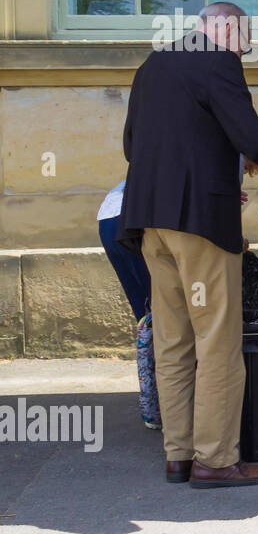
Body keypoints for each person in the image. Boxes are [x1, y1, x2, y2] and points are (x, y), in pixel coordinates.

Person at [119, 2, 258, 488]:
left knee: (172, 339)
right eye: (243, 41)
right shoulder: (217, 60)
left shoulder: (153, 63)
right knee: (217, 340)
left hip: (149, 220)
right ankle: (216, 459)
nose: (242, 53)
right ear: (226, 27)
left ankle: (179, 455)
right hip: (201, 223)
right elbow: (250, 134)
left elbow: (132, 145)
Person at [98, 181, 159, 429]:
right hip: (137, 220)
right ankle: (167, 408)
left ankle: (153, 408)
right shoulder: (224, 151)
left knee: (147, 317)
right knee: (166, 317)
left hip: (108, 216)